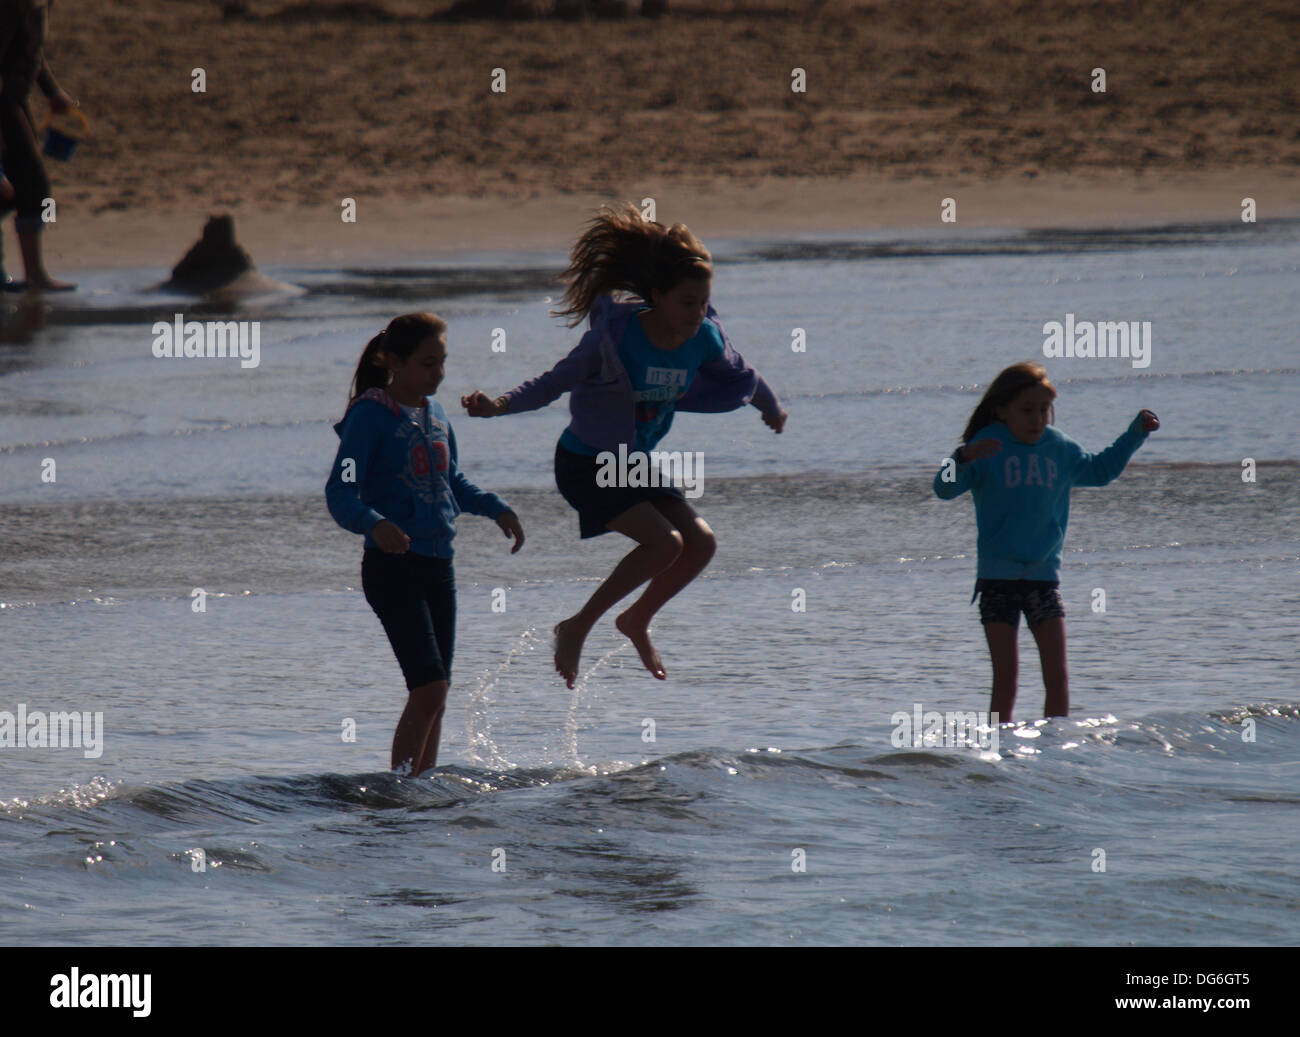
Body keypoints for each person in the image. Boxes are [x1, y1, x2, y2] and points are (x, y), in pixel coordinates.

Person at [463, 202, 787, 689]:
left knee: (701, 543)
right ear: (656, 296)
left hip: (632, 463)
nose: (697, 313)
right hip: (586, 463)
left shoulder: (705, 339)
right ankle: (577, 626)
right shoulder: (612, 341)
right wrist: (499, 405)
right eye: (686, 302)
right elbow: (553, 382)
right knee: (664, 543)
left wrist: (771, 408)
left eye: (703, 302)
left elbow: (745, 377)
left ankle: (636, 620)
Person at [326, 312, 525, 776]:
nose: (439, 374)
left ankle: (423, 793)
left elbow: (451, 480)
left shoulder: (435, 414)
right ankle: (400, 793)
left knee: (438, 690)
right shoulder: (370, 417)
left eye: (442, 363)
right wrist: (373, 523)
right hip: (393, 567)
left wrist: (497, 508)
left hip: (440, 567)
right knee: (429, 687)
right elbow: (340, 490)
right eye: (428, 363)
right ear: (393, 362)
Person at [933, 361, 1158, 723]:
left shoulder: (1058, 447)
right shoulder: (986, 446)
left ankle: (1054, 755)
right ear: (1001, 410)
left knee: (1058, 679)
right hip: (997, 582)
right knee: (1006, 680)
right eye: (1027, 410)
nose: (1037, 419)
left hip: (1043, 579)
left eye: (1043, 410)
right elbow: (943, 489)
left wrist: (1136, 433)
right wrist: (959, 459)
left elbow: (1101, 471)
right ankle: (997, 751)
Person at [0, 0, 78, 291]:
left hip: (14, 102)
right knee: (32, 187)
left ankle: (33, 276)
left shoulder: (41, 4)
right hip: (4, 106)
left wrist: (52, 91)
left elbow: (32, 52)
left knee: (17, 190)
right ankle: (35, 277)